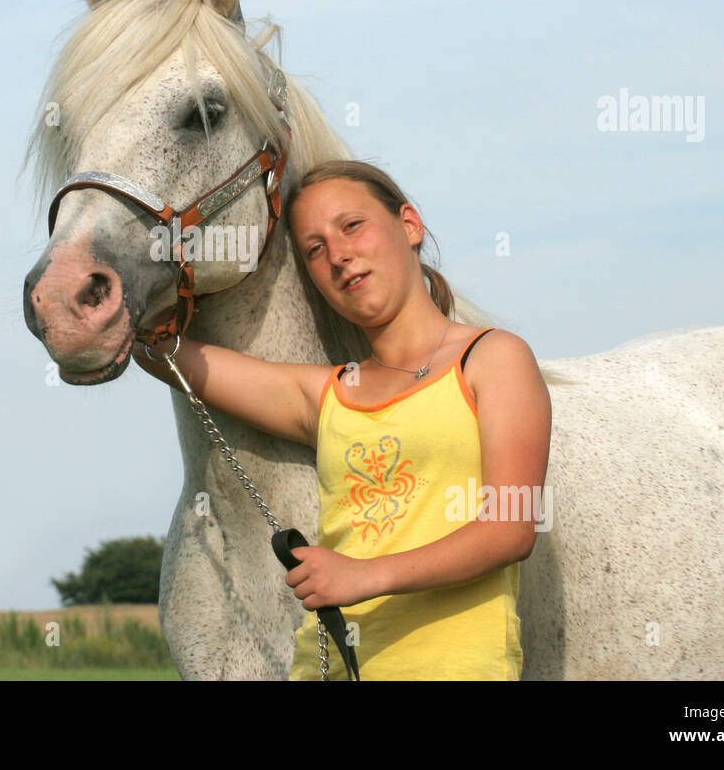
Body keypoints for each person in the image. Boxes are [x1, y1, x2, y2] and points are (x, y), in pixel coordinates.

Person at [132, 159, 551, 679]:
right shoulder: (326, 394)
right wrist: (161, 265)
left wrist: (362, 576)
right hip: (330, 668)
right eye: (314, 249)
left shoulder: (495, 359)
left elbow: (511, 529)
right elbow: (159, 351)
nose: (338, 254)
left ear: (409, 225)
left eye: (352, 226)